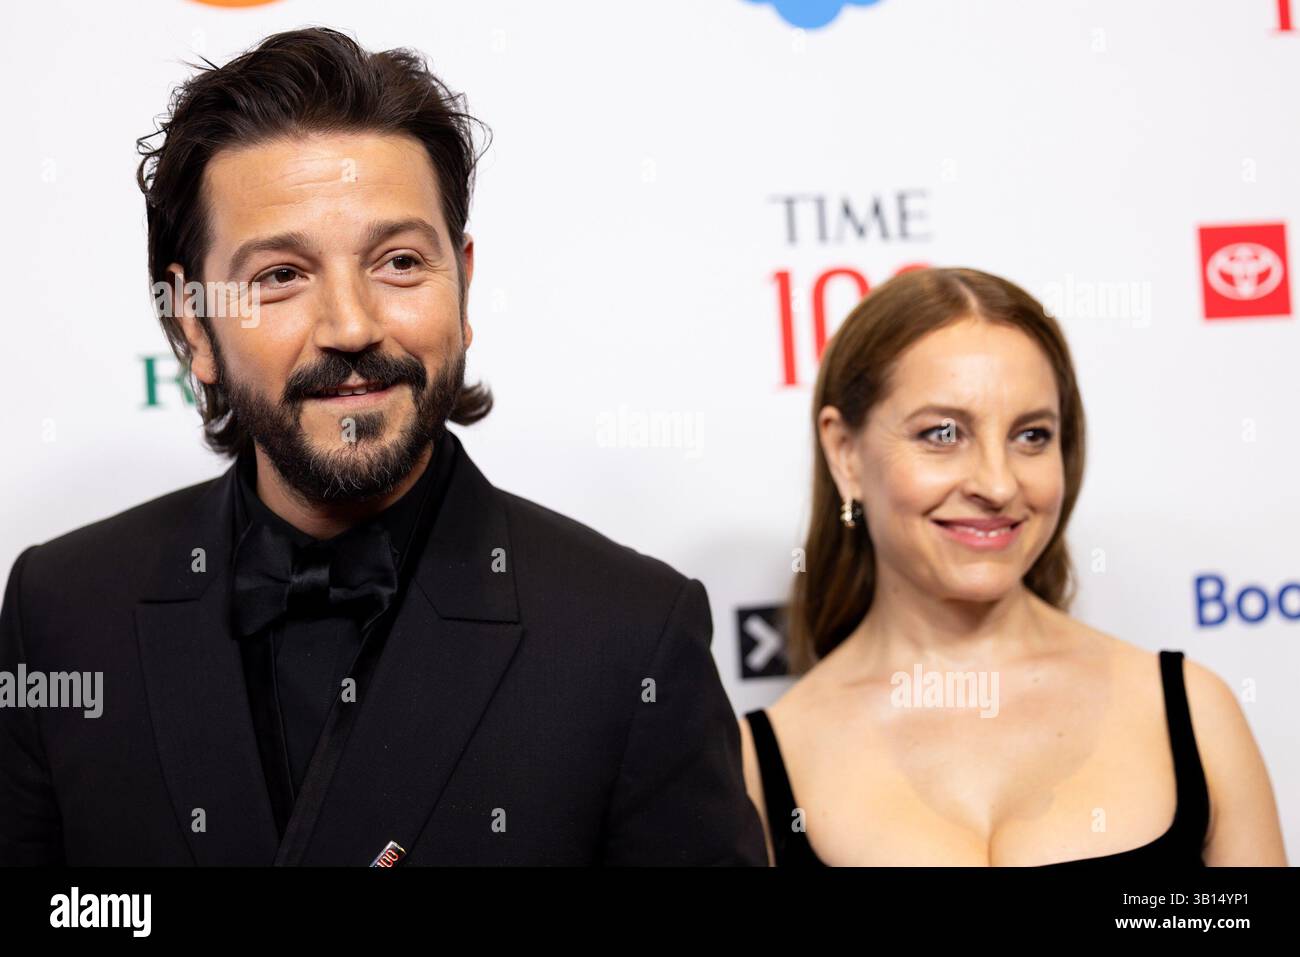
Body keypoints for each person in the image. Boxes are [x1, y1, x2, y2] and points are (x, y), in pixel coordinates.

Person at [0, 27, 765, 866]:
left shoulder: (629, 637)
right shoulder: (64, 611)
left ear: (463, 284)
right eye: (280, 276)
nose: (353, 326)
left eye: (398, 262)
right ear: (195, 326)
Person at [740, 267, 1287, 866]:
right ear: (845, 453)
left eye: (1031, 435)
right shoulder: (760, 764)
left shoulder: (1190, 709)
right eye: (943, 433)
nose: (998, 485)